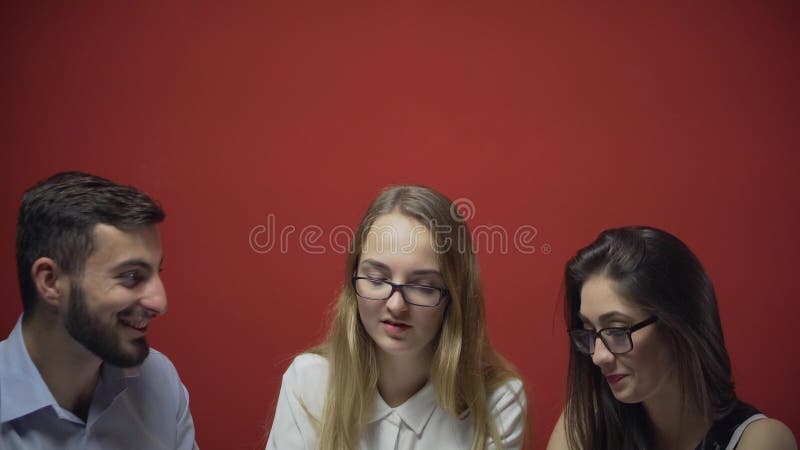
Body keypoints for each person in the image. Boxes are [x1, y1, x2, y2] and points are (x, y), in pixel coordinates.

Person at [266, 185, 527, 450]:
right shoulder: (309, 383)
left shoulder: (497, 402)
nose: (396, 304)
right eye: (377, 278)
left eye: (423, 287)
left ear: (454, 298)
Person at [546, 226, 796, 450]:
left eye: (618, 330)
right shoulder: (585, 422)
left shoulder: (759, 440)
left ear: (678, 323)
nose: (598, 356)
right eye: (589, 332)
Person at [0, 171, 198, 449]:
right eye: (131, 276)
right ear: (51, 281)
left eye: (157, 272)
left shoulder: (158, 380)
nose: (160, 302)